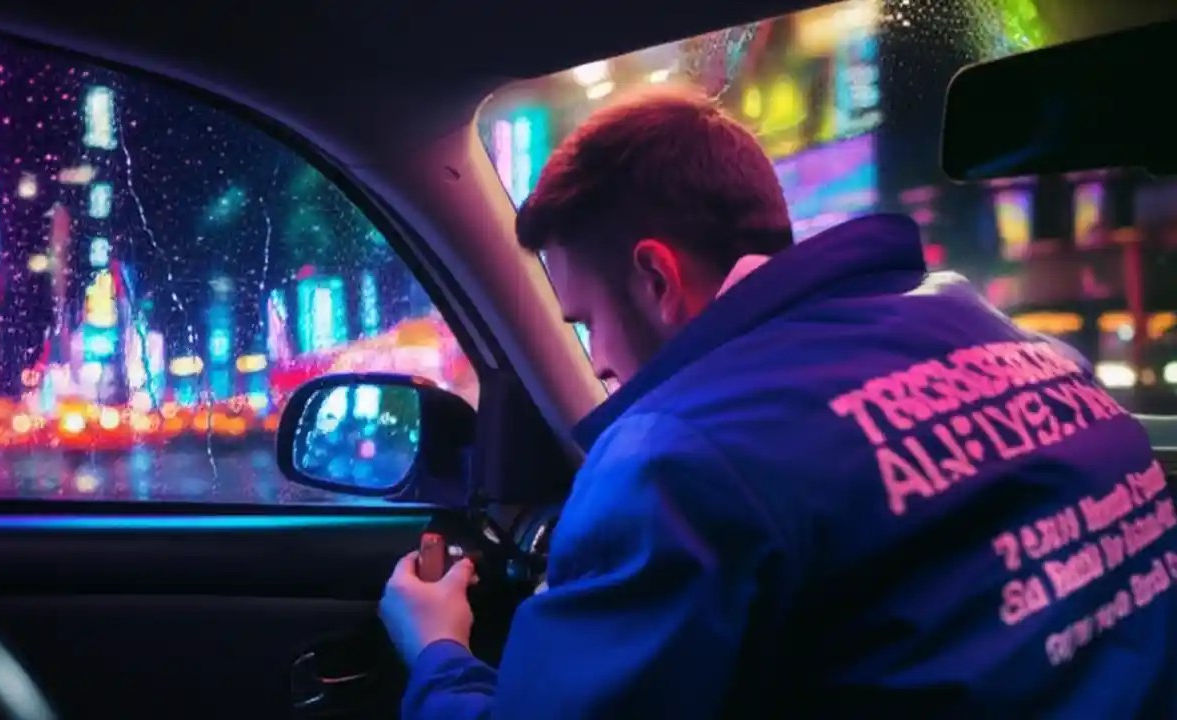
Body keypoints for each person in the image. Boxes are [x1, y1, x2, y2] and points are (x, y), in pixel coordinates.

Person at [378, 85, 1176, 718]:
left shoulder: (676, 460)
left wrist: (440, 656)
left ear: (656, 279)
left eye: (585, 323)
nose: (601, 363)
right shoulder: (1033, 354)